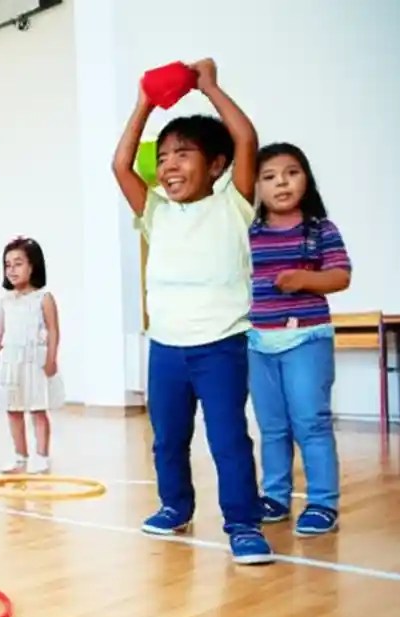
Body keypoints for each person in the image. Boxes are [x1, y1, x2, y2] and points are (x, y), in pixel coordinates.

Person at [111, 58, 273, 564]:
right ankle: (174, 506)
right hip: (166, 347)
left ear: (217, 165)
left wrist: (209, 87)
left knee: (227, 440)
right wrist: (144, 101)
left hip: (221, 346)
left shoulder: (233, 205)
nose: (169, 166)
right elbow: (120, 165)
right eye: (162, 158)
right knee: (168, 440)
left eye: (184, 154)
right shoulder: (155, 212)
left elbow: (246, 139)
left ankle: (243, 523)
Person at [248, 142, 351, 536]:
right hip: (258, 342)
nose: (281, 183)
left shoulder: (320, 229)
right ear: (256, 186)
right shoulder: (250, 232)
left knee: (311, 422)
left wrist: (304, 279)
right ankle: (275, 496)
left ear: (306, 178)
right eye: (269, 177)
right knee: (272, 427)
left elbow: (341, 276)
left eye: (291, 173)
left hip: (307, 339)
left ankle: (323, 502)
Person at [0, 237, 63, 473]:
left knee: (37, 408)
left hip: (35, 361)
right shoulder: (6, 301)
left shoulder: (43, 298)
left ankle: (42, 456)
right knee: (13, 410)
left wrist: (51, 359)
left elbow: (54, 330)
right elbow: (0, 333)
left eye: (18, 263)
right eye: (8, 265)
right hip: (12, 362)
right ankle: (20, 456)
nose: (12, 270)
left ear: (33, 266)